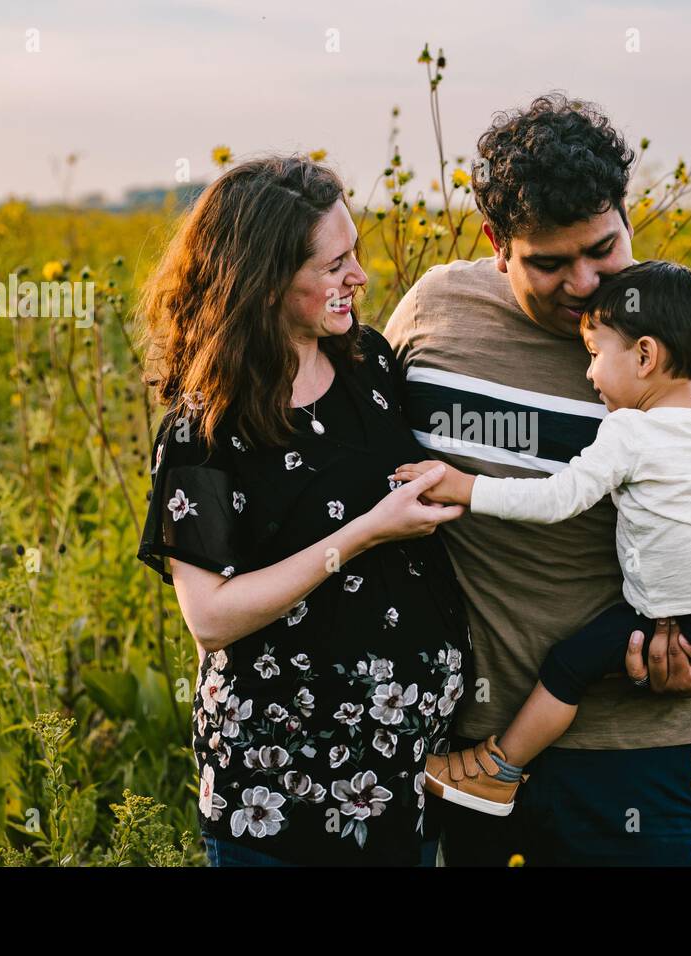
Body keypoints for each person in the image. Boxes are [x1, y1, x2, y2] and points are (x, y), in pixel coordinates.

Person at [383, 92, 691, 865]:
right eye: (550, 262)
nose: (584, 282)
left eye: (604, 249)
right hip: (463, 749)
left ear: (628, 215)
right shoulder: (434, 316)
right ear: (496, 242)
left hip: (640, 754)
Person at [135, 154, 470, 866]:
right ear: (263, 284)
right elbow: (212, 616)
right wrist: (366, 532)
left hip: (405, 777)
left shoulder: (368, 364)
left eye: (356, 253)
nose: (360, 277)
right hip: (282, 795)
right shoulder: (208, 430)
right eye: (333, 264)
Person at [394, 260, 691, 815]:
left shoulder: (628, 432)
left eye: (594, 354)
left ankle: (499, 770)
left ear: (644, 356)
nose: (589, 374)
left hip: (683, 622)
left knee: (569, 665)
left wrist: (465, 487)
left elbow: (556, 500)